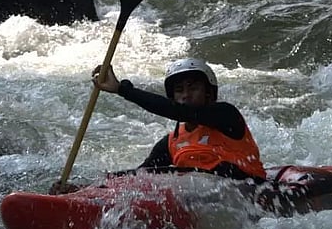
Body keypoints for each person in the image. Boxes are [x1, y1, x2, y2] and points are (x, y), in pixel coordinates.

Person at [53, 57, 266, 194]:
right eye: (179, 90)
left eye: (192, 88)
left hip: (246, 192)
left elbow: (178, 111)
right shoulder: (172, 142)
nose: (185, 95)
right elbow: (139, 177)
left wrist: (122, 89)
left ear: (209, 93)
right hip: (201, 198)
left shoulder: (226, 116)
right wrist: (82, 191)